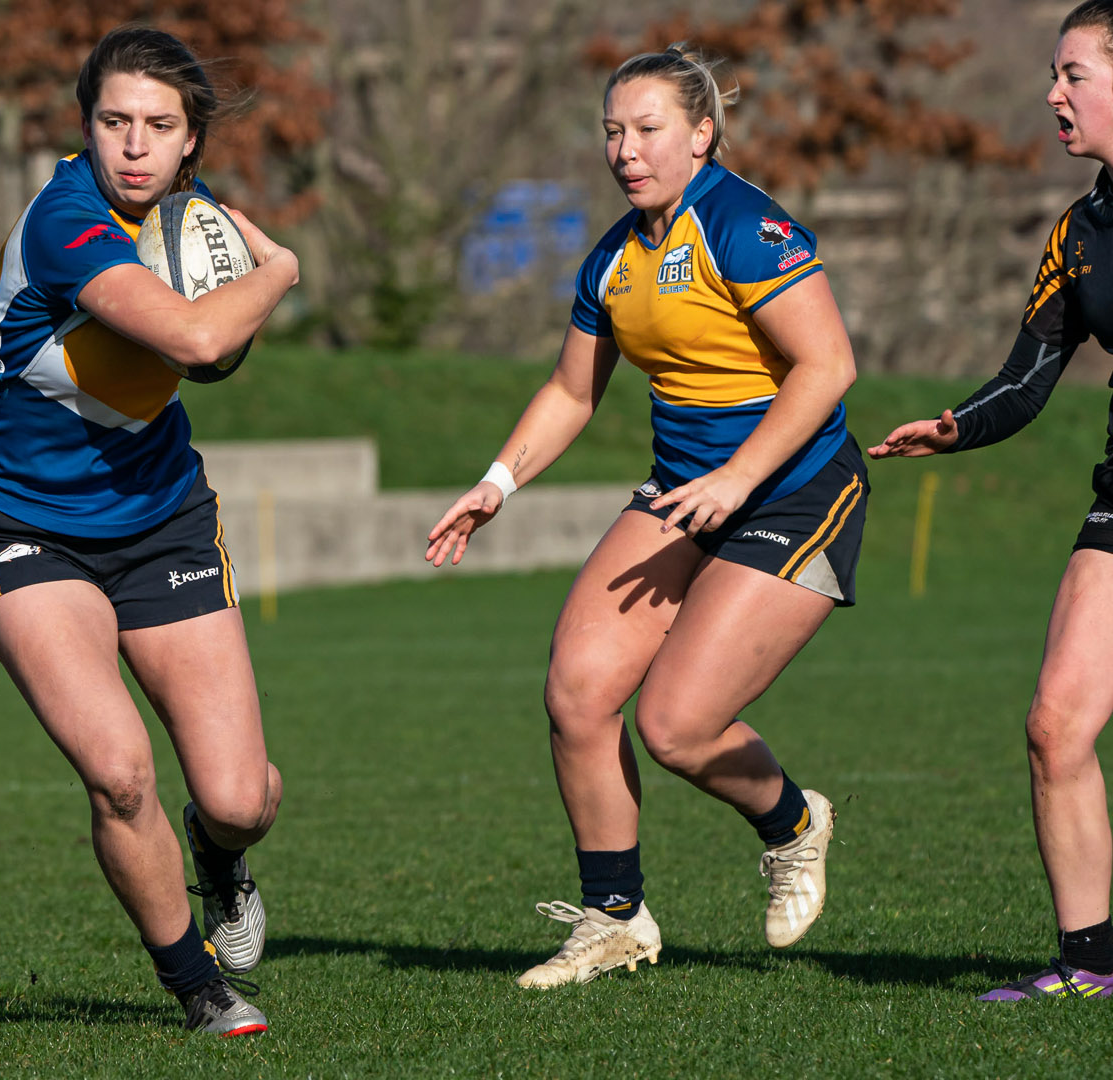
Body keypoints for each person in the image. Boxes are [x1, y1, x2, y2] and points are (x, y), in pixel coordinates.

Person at [426, 44, 862, 988]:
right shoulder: (615, 257)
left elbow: (829, 368)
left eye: (648, 129)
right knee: (578, 693)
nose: (625, 149)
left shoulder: (745, 224)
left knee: (677, 726)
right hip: (686, 494)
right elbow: (571, 394)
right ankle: (613, 919)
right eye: (612, 132)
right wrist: (496, 480)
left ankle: (794, 823)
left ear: (701, 135)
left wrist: (740, 478)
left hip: (797, 491)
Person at [0, 25, 298, 1036]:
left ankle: (220, 857)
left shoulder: (195, 227)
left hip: (160, 522)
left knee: (239, 799)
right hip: (19, 525)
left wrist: (239, 290)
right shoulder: (67, 219)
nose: (134, 146)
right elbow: (198, 336)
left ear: (193, 141)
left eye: (159, 126)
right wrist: (281, 271)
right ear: (85, 126)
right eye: (114, 122)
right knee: (117, 768)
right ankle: (197, 986)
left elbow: (211, 364)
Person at [871, 0, 1113, 1002]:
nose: (1051, 96)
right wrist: (954, 425)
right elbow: (1029, 375)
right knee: (1057, 724)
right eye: (1052, 76)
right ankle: (1091, 968)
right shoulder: (1082, 230)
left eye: (1074, 76)